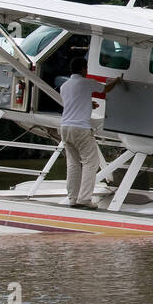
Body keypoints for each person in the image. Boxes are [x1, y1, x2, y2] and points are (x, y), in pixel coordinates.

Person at [59, 57, 102, 208]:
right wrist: (116, 81)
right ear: (83, 69)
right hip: (80, 129)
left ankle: (72, 198)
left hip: (64, 128)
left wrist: (89, 104)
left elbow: (73, 103)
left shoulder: (64, 86)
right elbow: (106, 89)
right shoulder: (86, 82)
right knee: (92, 162)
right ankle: (84, 199)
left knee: (73, 163)